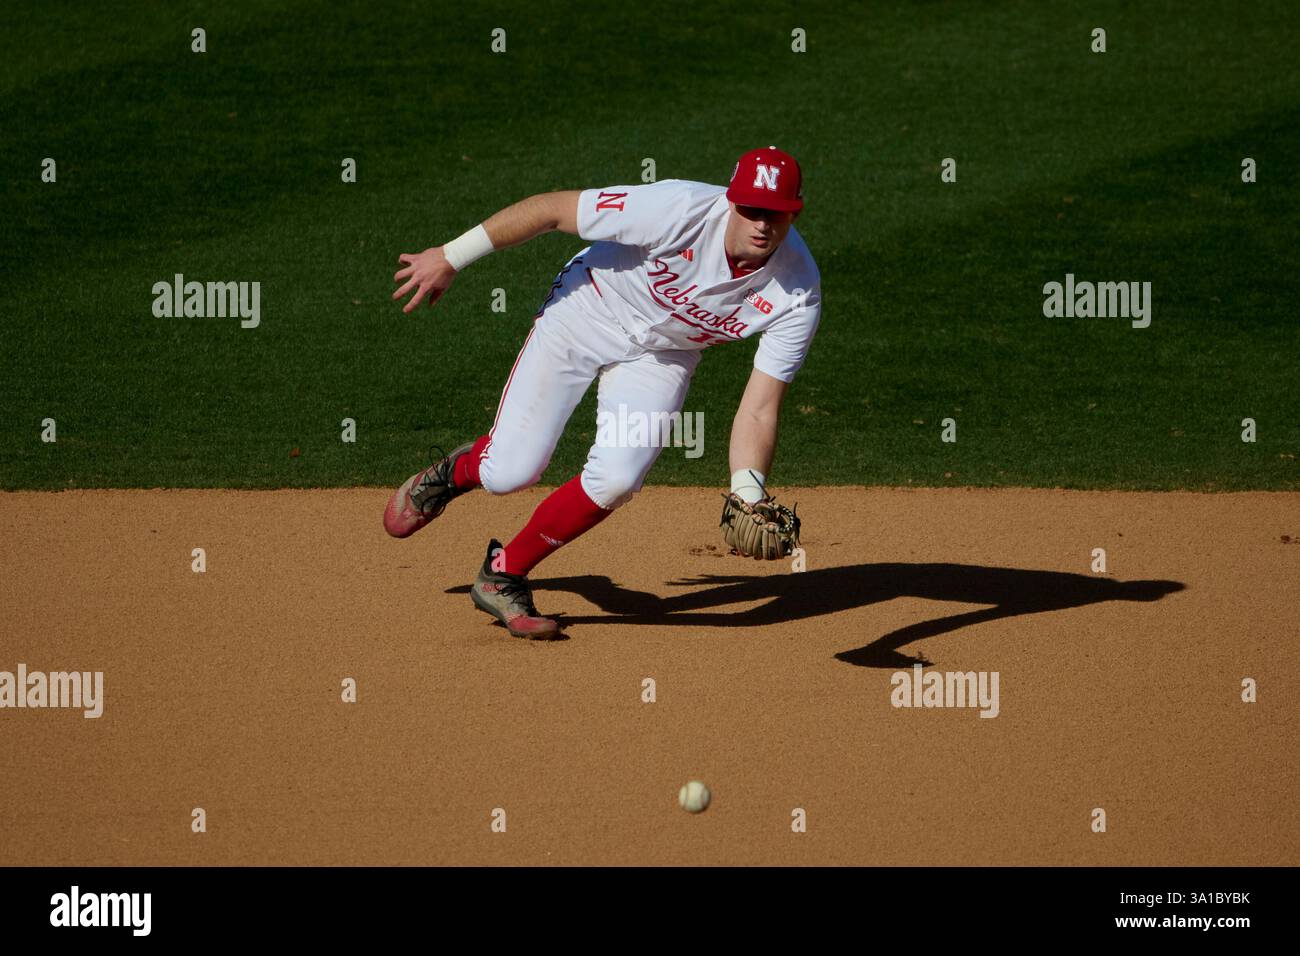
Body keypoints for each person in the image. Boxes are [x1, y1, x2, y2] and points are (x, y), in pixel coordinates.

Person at [386, 146, 821, 637]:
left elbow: (760, 408)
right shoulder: (677, 209)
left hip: (663, 355)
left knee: (618, 479)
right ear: (731, 200)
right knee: (510, 472)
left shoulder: (797, 291)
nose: (763, 225)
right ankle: (456, 471)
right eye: (751, 210)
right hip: (586, 310)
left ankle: (503, 573)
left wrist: (747, 490)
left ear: (794, 212)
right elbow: (552, 210)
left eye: (778, 215)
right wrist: (450, 256)